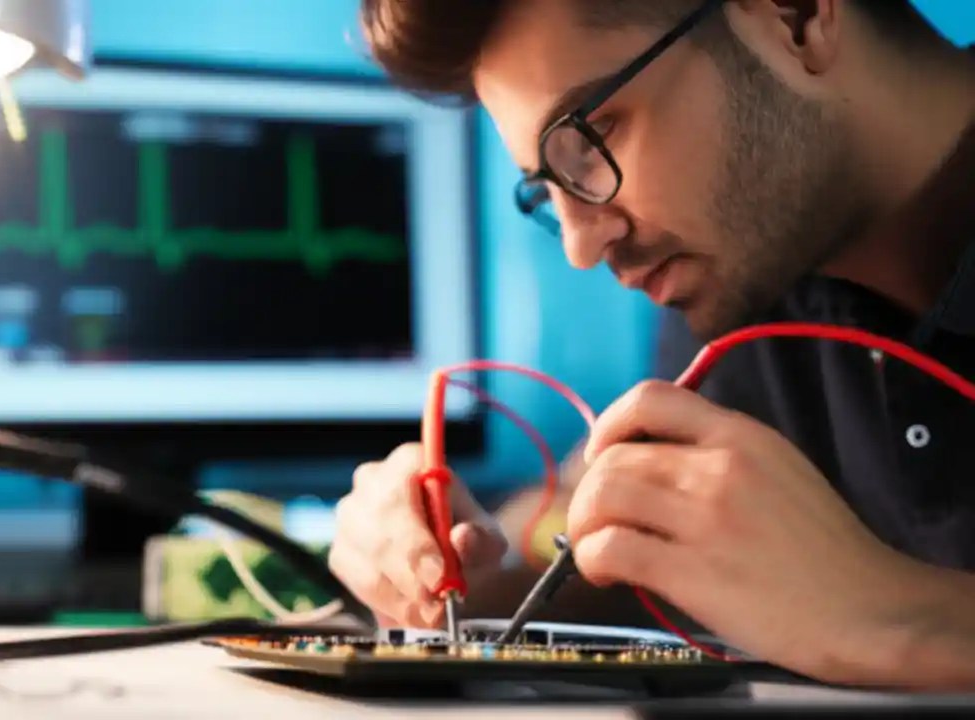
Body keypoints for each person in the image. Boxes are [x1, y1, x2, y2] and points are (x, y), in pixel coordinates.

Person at [327, 0, 975, 690]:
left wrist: (905, 620)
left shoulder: (742, 233)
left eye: (594, 134)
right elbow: (634, 537)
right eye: (547, 190)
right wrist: (464, 582)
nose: (581, 246)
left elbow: (847, 605)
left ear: (797, 17)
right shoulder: (749, 271)